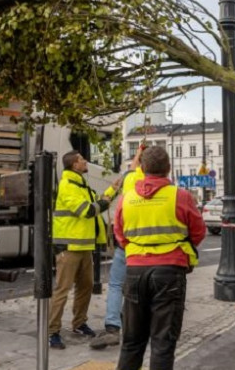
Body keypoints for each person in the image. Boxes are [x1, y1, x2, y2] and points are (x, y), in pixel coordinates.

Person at [114, 146, 205, 370]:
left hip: (135, 272)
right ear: (168, 168)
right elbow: (198, 231)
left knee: (132, 342)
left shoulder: (127, 199)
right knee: (162, 343)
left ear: (142, 169)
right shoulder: (180, 196)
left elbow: (120, 235)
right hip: (169, 271)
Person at [49, 150, 111, 350]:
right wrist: (104, 202)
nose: (86, 162)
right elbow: (87, 210)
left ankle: (79, 323)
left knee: (86, 286)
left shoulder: (81, 185)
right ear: (74, 165)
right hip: (69, 247)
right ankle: (52, 332)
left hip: (84, 245)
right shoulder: (68, 186)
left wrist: (113, 191)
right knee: (62, 290)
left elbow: (98, 201)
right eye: (82, 159)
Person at [91, 145, 147, 351]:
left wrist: (139, 152)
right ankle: (140, 328)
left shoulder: (129, 178)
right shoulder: (159, 183)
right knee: (142, 287)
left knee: (116, 285)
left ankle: (113, 328)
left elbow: (129, 171)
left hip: (126, 243)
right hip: (150, 247)